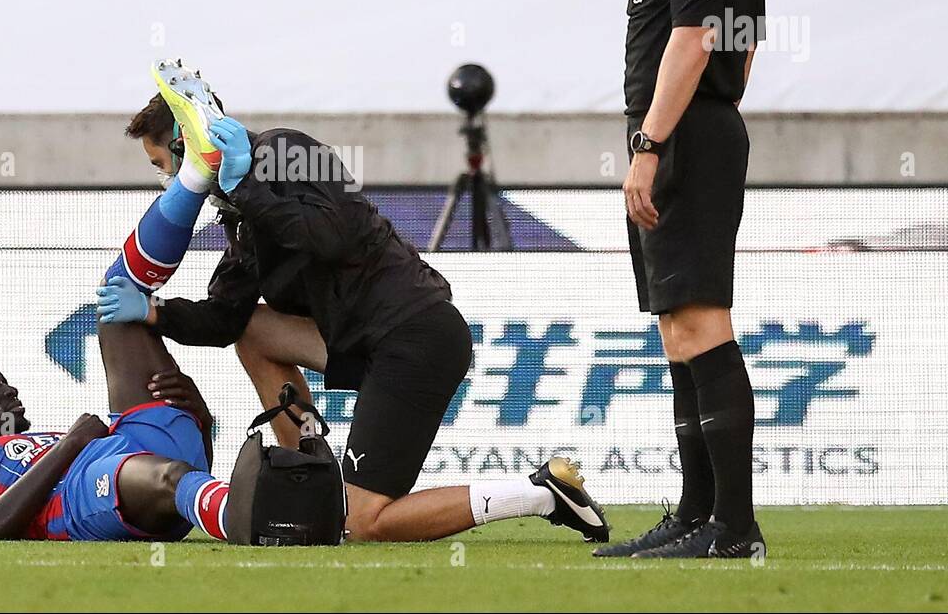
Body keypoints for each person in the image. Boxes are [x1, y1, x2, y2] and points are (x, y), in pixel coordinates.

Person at [94, 59, 610, 544]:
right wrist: (156, 313)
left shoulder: (283, 151)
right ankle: (308, 479)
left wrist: (245, 185)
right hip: (367, 341)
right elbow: (227, 318)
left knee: (365, 521)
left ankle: (542, 493)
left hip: (416, 337)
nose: (167, 181)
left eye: (163, 164)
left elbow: (331, 237)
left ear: (186, 145)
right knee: (253, 329)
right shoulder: (241, 208)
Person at [602, 0, 767, 559]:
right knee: (680, 327)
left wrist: (651, 143)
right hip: (703, 124)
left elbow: (698, 32)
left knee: (701, 321)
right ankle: (698, 514)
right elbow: (745, 34)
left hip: (682, 134)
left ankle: (732, 528)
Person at [0, 331, 230, 542]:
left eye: (3, 382)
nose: (9, 390)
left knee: (118, 312)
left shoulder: (54, 440)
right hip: (79, 494)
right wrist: (70, 444)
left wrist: (198, 420)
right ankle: (249, 514)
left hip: (133, 461)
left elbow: (191, 472)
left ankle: (243, 504)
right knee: (169, 477)